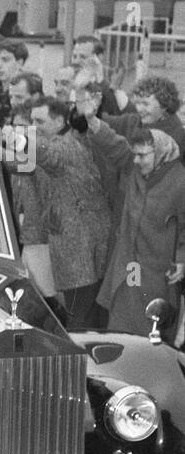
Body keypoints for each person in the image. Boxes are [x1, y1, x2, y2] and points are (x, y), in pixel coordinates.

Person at [80, 109, 185, 338]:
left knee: (149, 324)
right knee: (124, 313)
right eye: (135, 155)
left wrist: (181, 259)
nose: (136, 160)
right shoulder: (136, 170)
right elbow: (117, 148)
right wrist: (93, 121)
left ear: (161, 154)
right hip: (131, 265)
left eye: (142, 155)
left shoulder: (180, 182)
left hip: (159, 272)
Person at [18, 96, 112, 328]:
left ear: (60, 120)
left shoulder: (66, 146)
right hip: (73, 248)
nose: (34, 126)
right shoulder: (63, 142)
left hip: (80, 250)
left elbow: (49, 155)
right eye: (31, 121)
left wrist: (23, 142)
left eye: (40, 121)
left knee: (80, 320)